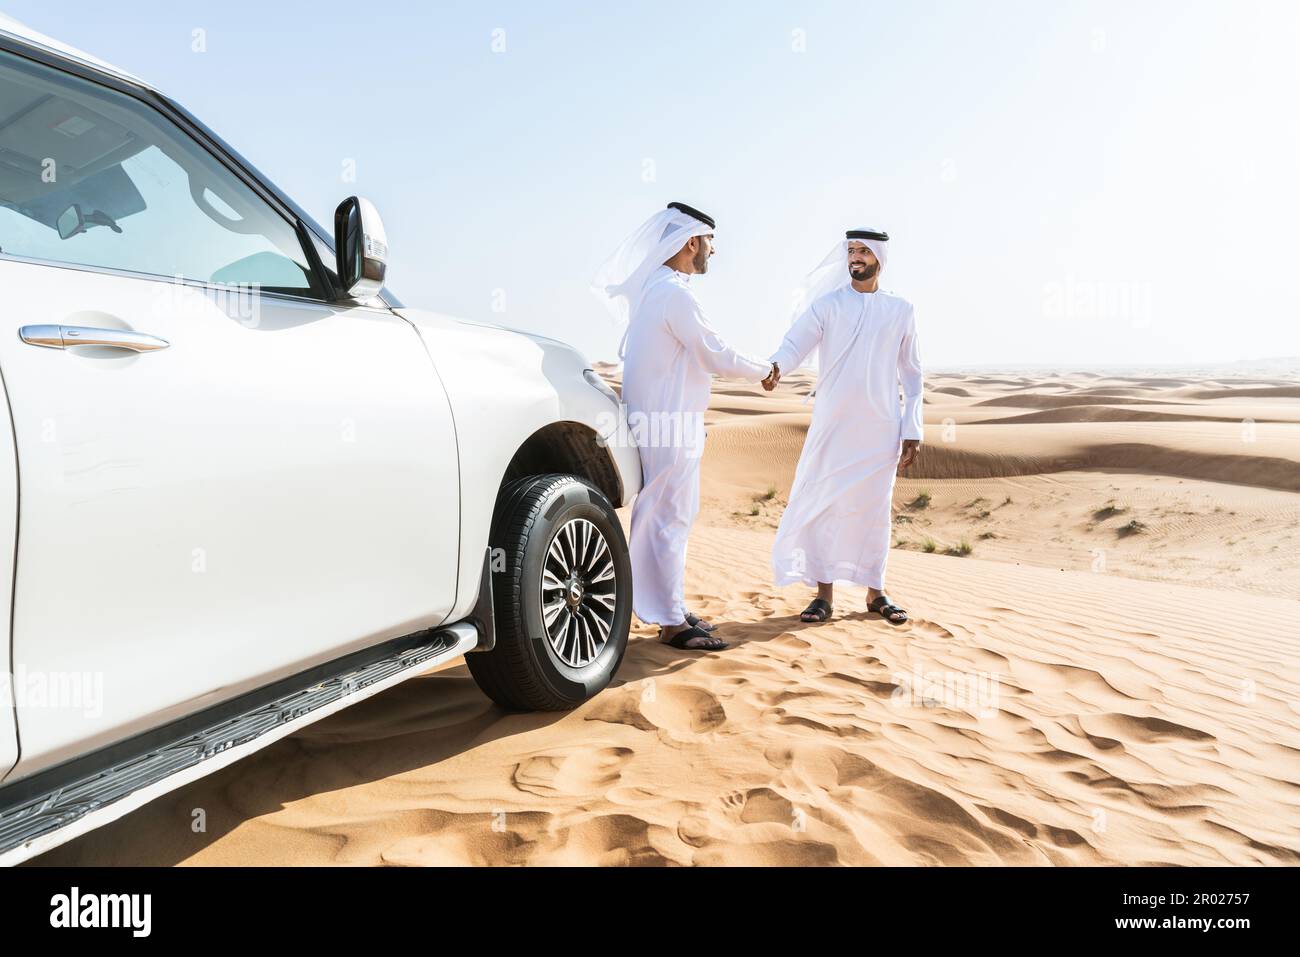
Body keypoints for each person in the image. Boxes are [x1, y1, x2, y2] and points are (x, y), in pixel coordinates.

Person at [593, 202, 777, 650]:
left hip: (665, 423)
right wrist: (764, 369)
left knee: (664, 518)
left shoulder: (658, 290)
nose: (713, 252)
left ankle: (667, 607)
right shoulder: (675, 294)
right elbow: (713, 352)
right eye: (710, 243)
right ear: (691, 242)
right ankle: (671, 622)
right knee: (668, 520)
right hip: (669, 426)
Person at [767, 228, 923, 625]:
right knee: (824, 506)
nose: (855, 257)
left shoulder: (901, 309)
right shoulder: (828, 306)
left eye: (863, 251)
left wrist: (913, 428)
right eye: (851, 251)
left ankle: (876, 591)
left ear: (879, 259)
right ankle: (823, 595)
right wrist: (776, 368)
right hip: (833, 426)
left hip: (881, 428)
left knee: (873, 510)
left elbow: (913, 374)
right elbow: (794, 343)